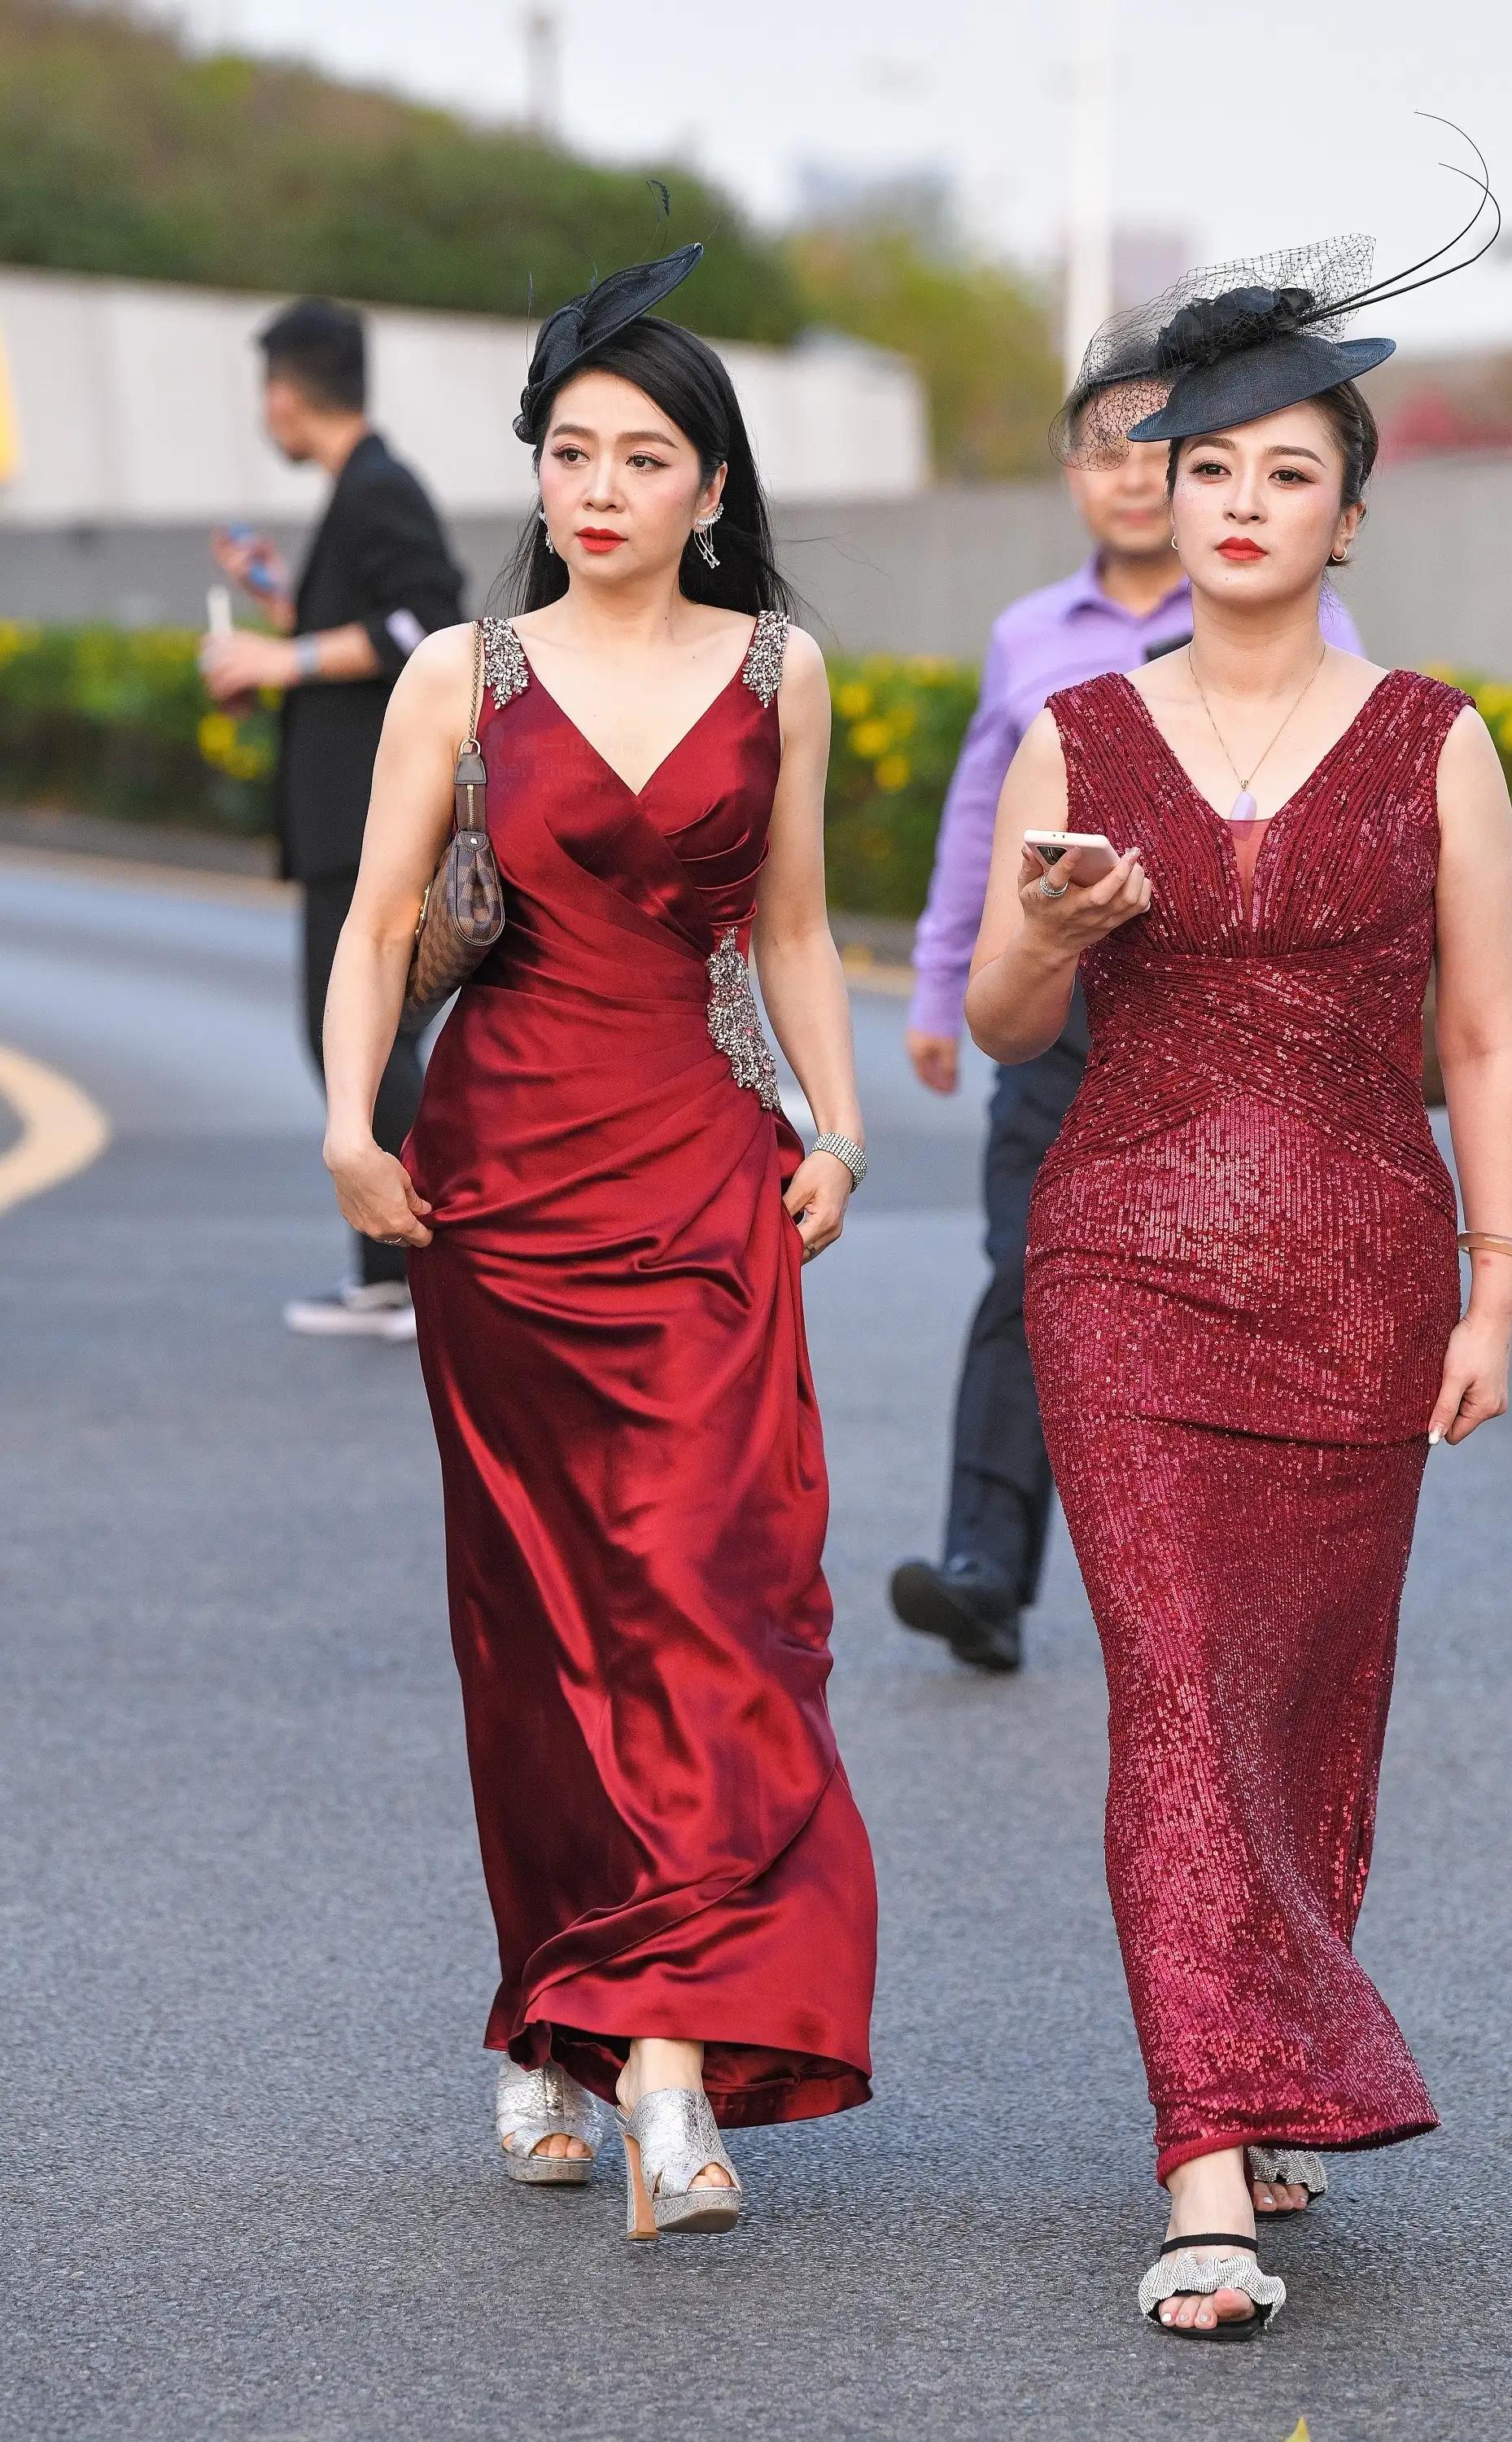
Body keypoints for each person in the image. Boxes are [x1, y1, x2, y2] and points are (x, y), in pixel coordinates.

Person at [966, 198, 1512, 2336]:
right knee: (1179, 1707)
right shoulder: (1084, 736)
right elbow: (1016, 1027)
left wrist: (1490, 1290)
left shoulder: (1439, 745)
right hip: (1121, 1269)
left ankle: (1269, 2047)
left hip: (1359, 1278)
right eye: (1205, 468)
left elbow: (1480, 1041)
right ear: (1158, 492)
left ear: (1349, 516)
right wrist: (1054, 925)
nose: (1237, 503)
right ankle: (1205, 2160)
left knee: (1296, 1714)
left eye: (1287, 471)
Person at [317, 243, 876, 2238]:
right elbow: (383, 921)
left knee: (707, 1603)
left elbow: (793, 926)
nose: (604, 486)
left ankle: (664, 2073)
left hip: (704, 1181)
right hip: (503, 1192)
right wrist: (349, 1125)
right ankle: (555, 2007)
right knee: (543, 1622)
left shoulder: (773, 674)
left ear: (708, 489)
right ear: (537, 474)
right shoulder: (452, 677)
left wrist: (837, 1112)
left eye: (646, 456)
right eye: (572, 451)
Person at [890, 390, 1360, 1674]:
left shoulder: (1294, 618)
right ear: (1073, 479)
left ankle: (1210, 1582)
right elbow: (979, 820)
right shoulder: (1027, 636)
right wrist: (948, 987)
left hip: (1220, 1031)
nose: (1138, 480)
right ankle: (985, 1563)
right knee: (1024, 1274)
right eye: (1107, 456)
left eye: (1170, 456)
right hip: (1060, 1012)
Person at [201, 297, 465, 1341]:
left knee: (363, 1033)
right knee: (359, 1034)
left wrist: (283, 657)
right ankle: (392, 1275)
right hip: (345, 815)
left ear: (284, 393)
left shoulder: (379, 488)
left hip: (368, 818)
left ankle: (413, 1271)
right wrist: (280, 605)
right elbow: (374, 624)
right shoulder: (359, 488)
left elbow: (423, 621)